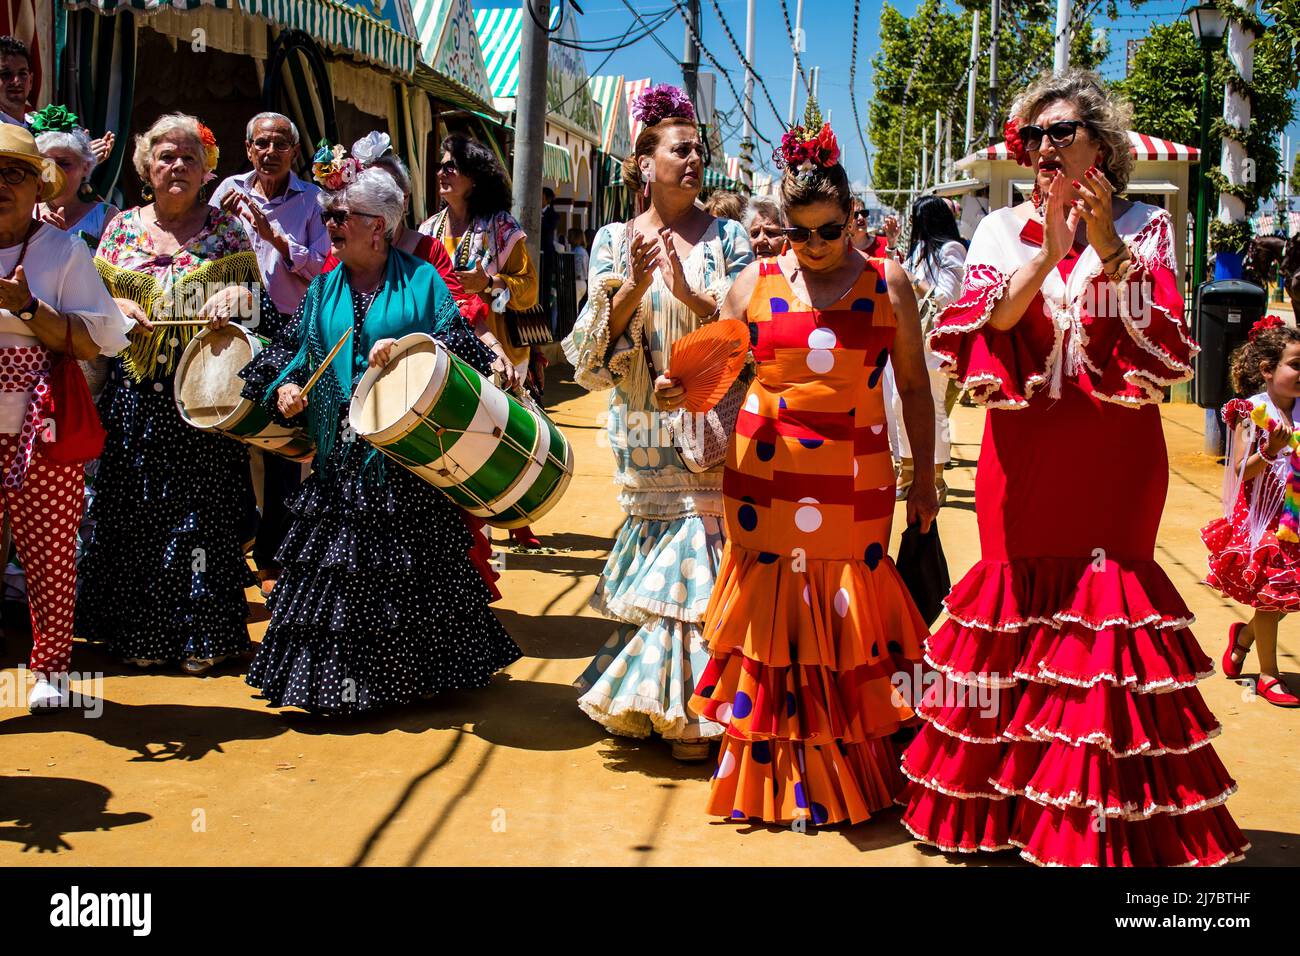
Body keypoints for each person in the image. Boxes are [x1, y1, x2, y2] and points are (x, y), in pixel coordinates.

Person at [899, 69, 1249, 866]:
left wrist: (1102, 247)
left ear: (1102, 144)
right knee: (1012, 606)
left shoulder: (1147, 229)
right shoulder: (995, 228)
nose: (1045, 147)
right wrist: (1048, 249)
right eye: (1033, 136)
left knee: (1107, 617)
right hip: (1025, 454)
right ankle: (1002, 811)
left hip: (1115, 455)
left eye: (1061, 132)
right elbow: (986, 321)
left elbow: (1158, 331)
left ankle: (1096, 818)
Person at [689, 115, 935, 822]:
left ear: (854, 219)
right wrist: (682, 388)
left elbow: (914, 388)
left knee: (841, 622)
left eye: (831, 230)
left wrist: (925, 477)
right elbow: (713, 370)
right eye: (801, 232)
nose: (817, 245)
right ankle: (771, 783)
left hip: (855, 484)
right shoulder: (752, 283)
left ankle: (843, 779)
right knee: (773, 627)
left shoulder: (889, 285)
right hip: (764, 485)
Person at [242, 165, 520, 714]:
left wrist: (406, 345)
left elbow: (457, 347)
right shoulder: (322, 287)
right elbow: (293, 354)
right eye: (327, 215)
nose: (330, 224)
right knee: (341, 570)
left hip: (409, 449)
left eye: (341, 215)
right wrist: (288, 389)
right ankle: (344, 684)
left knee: (409, 567)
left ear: (379, 226)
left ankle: (410, 676)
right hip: (343, 453)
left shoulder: (420, 280)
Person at [563, 83, 753, 761]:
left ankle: (691, 714)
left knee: (701, 554)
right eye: (680, 148)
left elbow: (749, 329)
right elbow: (589, 346)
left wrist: (689, 298)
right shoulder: (614, 240)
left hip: (709, 430)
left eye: (699, 147)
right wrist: (638, 292)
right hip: (642, 425)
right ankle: (664, 705)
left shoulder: (730, 235)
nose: (695, 158)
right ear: (644, 163)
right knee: (664, 556)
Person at [76, 113, 264, 675]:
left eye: (188, 157)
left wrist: (233, 299)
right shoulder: (121, 229)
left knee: (203, 518)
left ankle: (203, 636)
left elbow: (261, 313)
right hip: (135, 397)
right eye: (165, 156)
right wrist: (116, 309)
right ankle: (138, 632)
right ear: (145, 168)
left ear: (207, 170)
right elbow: (88, 305)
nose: (176, 166)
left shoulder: (228, 233)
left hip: (203, 396)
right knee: (134, 512)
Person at [0, 126, 129, 711]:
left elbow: (94, 341)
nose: (2, 186)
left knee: (50, 549)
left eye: (16, 173)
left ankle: (50, 668)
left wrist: (28, 307)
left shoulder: (61, 251)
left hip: (42, 428)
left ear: (38, 187)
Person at [210, 111, 330, 599]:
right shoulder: (225, 193)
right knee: (228, 430)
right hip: (235, 323)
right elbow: (208, 250)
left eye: (282, 143)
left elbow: (326, 267)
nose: (271, 151)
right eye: (263, 142)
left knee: (282, 439)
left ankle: (274, 558)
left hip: (289, 328)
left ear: (295, 154)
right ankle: (239, 538)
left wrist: (279, 240)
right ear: (248, 147)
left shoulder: (314, 201)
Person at [419, 133, 543, 549]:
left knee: (491, 437)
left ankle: (499, 521)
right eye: (439, 165)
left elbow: (528, 292)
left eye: (451, 166)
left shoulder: (502, 227)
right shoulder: (427, 230)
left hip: (499, 351)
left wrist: (489, 283)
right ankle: (467, 537)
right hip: (442, 351)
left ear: (474, 178)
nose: (442, 172)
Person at [1202, 315, 1300, 706]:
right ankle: (1268, 675)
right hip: (1264, 521)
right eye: (1295, 365)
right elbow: (1241, 469)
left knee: (1289, 597)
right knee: (1270, 597)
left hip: (1296, 517)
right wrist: (1270, 449)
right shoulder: (1250, 410)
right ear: (1267, 369)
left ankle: (1243, 638)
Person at [887, 195, 965, 503]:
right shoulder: (920, 249)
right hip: (912, 336)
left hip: (936, 340)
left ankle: (935, 478)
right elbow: (898, 275)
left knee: (934, 408)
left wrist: (915, 280)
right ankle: (908, 471)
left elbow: (951, 298)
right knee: (898, 403)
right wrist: (893, 247)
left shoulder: (952, 250)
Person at [0, 37, 114, 161]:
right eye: (6, 74)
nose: (16, 81)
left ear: (31, 81)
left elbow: (49, 176)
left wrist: (83, 164)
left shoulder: (39, 123)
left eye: (22, 74)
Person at [32, 105, 119, 248]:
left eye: (63, 163)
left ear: (85, 167)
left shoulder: (107, 217)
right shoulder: (26, 211)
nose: (54, 172)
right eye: (46, 163)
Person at [568, 226, 589, 308]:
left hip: (577, 282)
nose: (568, 237)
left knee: (573, 307)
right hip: (582, 282)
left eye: (570, 235)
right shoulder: (583, 250)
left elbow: (577, 270)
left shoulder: (577, 251)